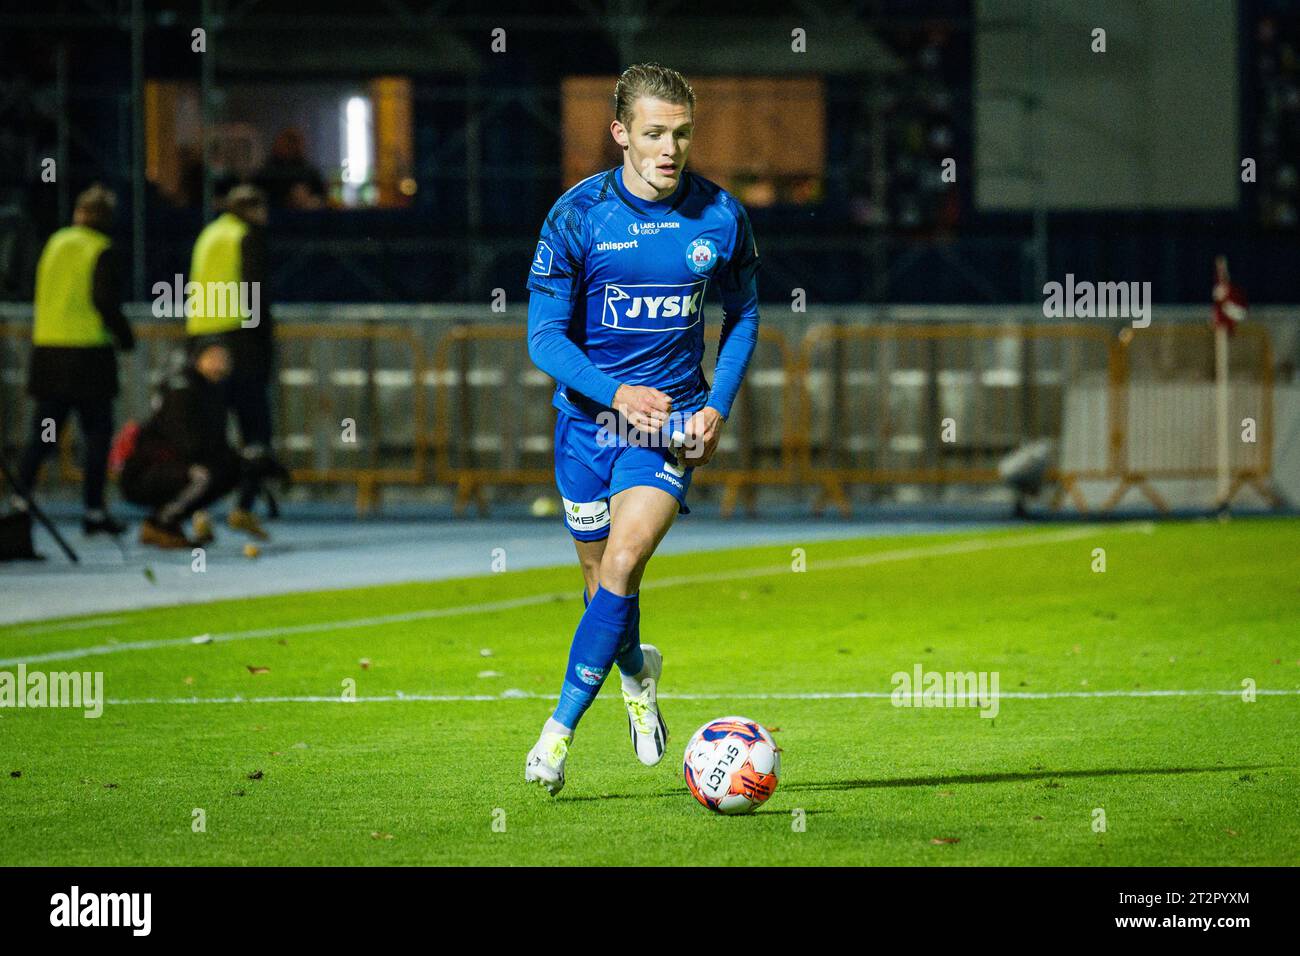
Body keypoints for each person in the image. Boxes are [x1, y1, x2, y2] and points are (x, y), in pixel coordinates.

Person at [523, 63, 761, 794]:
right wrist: (615, 391)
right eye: (655, 133)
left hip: (667, 429)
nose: (670, 149)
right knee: (602, 588)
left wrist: (715, 403)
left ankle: (554, 739)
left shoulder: (720, 216)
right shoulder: (578, 216)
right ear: (621, 132)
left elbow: (744, 312)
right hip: (585, 429)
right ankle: (637, 675)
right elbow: (544, 338)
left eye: (682, 134)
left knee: (623, 565)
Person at [13, 184, 134, 536]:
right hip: (88, 359)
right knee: (96, 436)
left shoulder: (55, 243)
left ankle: (20, 504)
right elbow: (104, 301)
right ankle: (94, 512)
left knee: (44, 434)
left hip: (49, 354)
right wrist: (125, 337)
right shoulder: (101, 249)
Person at [187, 183, 284, 539]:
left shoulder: (209, 235)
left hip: (201, 343)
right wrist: (265, 345)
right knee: (256, 431)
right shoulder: (246, 236)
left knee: (208, 434)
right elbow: (254, 291)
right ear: (253, 209)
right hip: (238, 343)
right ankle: (242, 507)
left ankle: (197, 511)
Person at [119, 339, 240, 549]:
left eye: (223, 358)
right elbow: (187, 443)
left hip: (171, 467)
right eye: (212, 357)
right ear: (197, 359)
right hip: (146, 472)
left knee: (231, 469)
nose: (219, 363)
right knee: (202, 475)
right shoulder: (183, 390)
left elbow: (212, 443)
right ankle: (160, 523)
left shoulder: (213, 391)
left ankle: (171, 521)